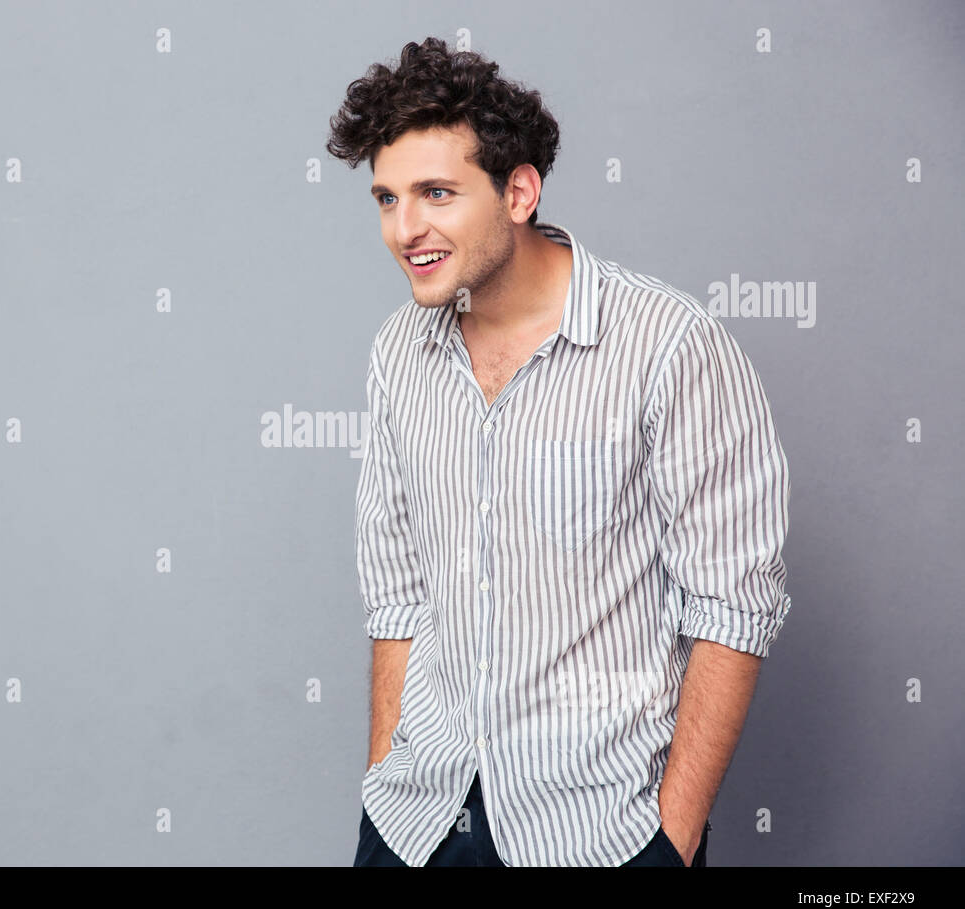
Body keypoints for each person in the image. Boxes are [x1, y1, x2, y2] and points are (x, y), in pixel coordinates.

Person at [328, 38, 792, 866]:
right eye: (387, 198)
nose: (406, 229)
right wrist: (383, 783)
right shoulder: (398, 352)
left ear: (518, 190)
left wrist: (672, 839)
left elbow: (733, 613)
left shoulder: (670, 348)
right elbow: (398, 598)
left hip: (597, 832)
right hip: (419, 821)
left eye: (437, 192)